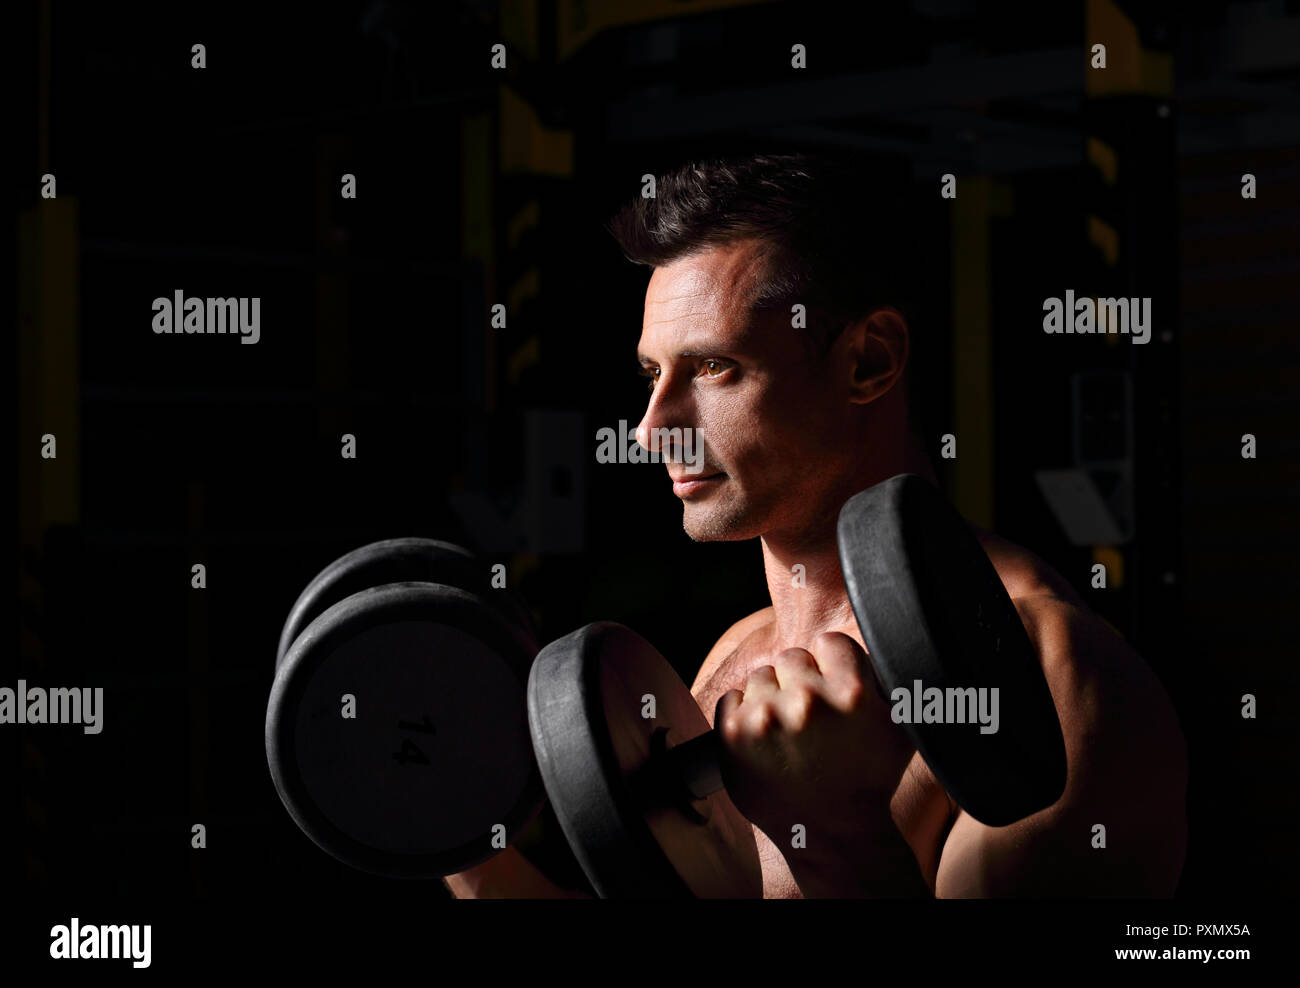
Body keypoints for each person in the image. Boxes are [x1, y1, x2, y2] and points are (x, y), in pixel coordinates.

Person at [444, 153, 1187, 898]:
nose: (650, 429)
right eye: (651, 375)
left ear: (868, 361)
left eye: (713, 369)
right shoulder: (741, 651)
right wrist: (462, 840)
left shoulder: (1051, 683)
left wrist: (841, 833)